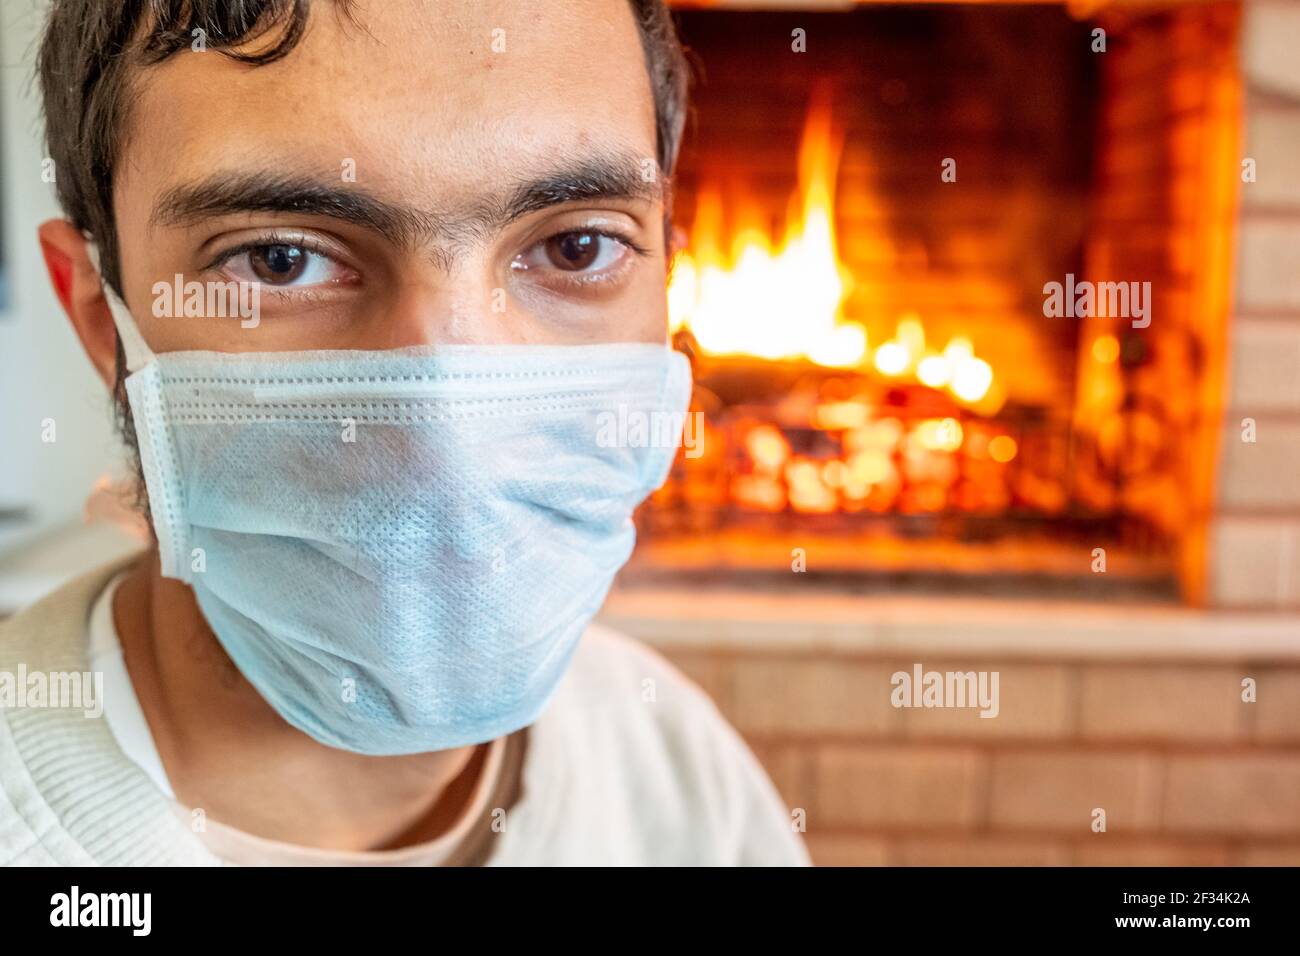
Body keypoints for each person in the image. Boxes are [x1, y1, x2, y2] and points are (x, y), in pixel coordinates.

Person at [0, 0, 811, 866]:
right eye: (282, 259)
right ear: (99, 319)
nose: (448, 438)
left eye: (576, 247)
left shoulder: (676, 778)